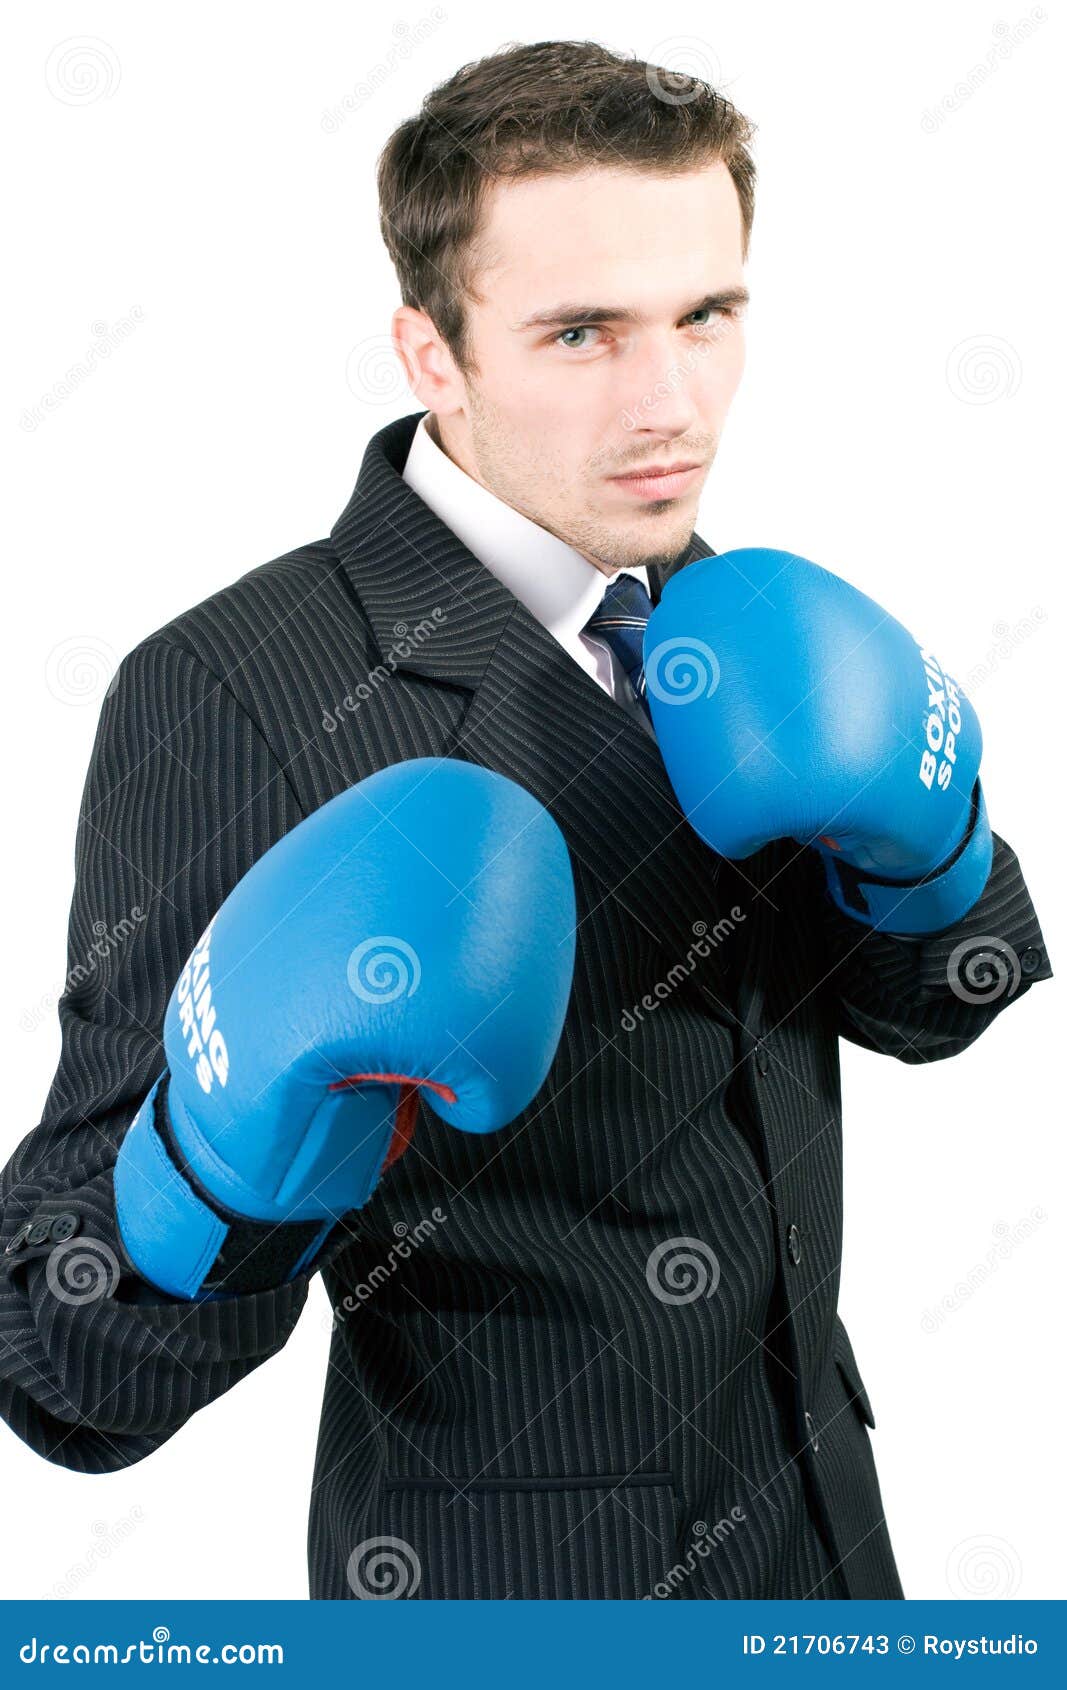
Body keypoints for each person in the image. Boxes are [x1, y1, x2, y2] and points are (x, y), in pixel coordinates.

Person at [0, 39, 1051, 1601]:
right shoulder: (239, 684)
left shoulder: (738, 615)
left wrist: (932, 843)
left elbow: (937, 1009)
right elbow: (62, 1360)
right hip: (508, 1592)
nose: (669, 402)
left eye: (707, 315)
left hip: (833, 1555)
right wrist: (215, 1168)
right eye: (582, 334)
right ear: (433, 354)